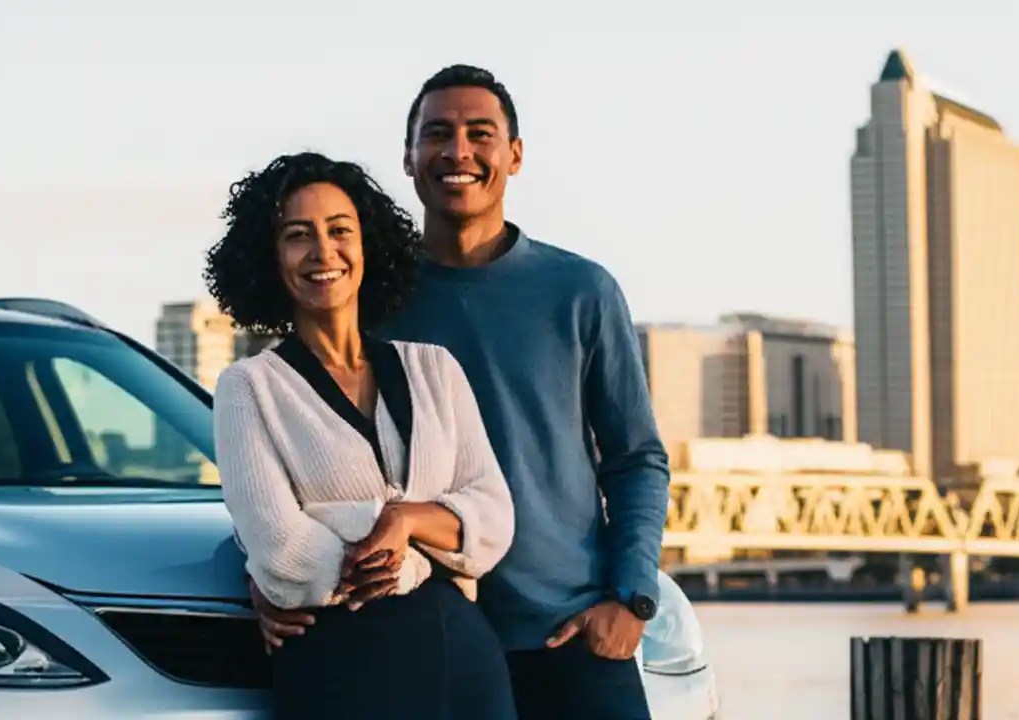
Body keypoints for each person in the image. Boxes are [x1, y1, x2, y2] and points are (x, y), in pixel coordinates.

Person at [253, 65, 672, 719]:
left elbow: (636, 458)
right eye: (437, 134)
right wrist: (260, 575)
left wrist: (633, 599)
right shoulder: (365, 301)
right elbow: (283, 461)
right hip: (426, 638)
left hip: (570, 635)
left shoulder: (582, 292)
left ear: (515, 155)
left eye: (481, 133)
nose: (458, 152)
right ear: (409, 157)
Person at [205, 152, 518, 719]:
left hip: (464, 659)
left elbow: (495, 518)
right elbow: (283, 556)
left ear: (368, 243)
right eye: (298, 236)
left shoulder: (435, 369)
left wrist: (404, 521)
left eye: (340, 231)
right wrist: (429, 559)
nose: (323, 252)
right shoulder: (249, 388)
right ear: (270, 258)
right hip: (342, 668)